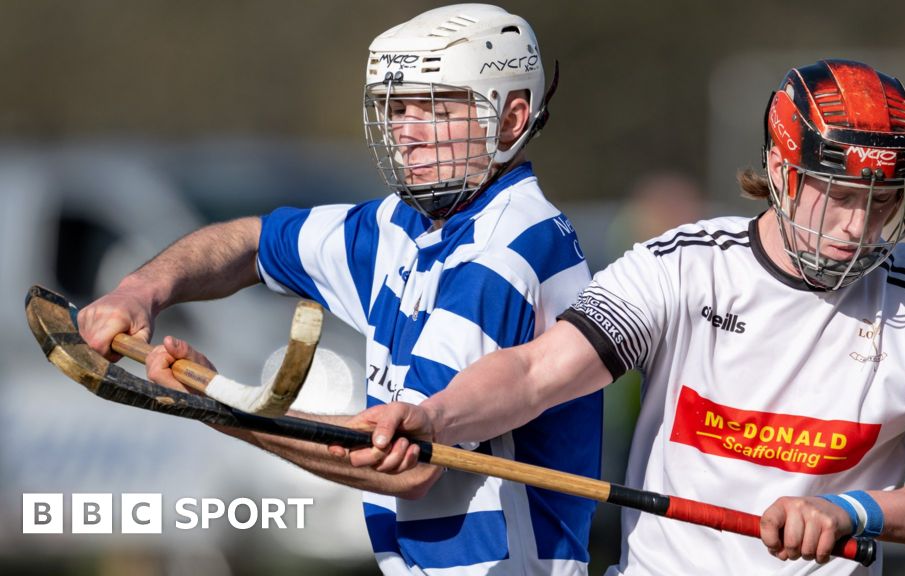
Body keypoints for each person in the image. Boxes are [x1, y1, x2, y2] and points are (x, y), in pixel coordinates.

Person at [345, 59, 905, 574]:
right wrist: (433, 416)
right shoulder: (684, 265)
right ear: (781, 169)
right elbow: (535, 373)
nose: (857, 227)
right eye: (836, 195)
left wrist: (853, 511)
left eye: (882, 200)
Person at [78, 4, 602, 575]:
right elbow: (254, 243)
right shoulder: (399, 227)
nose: (407, 132)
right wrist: (139, 291)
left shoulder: (507, 250)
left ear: (510, 118)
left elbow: (405, 465)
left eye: (435, 107)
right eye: (397, 108)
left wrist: (216, 406)